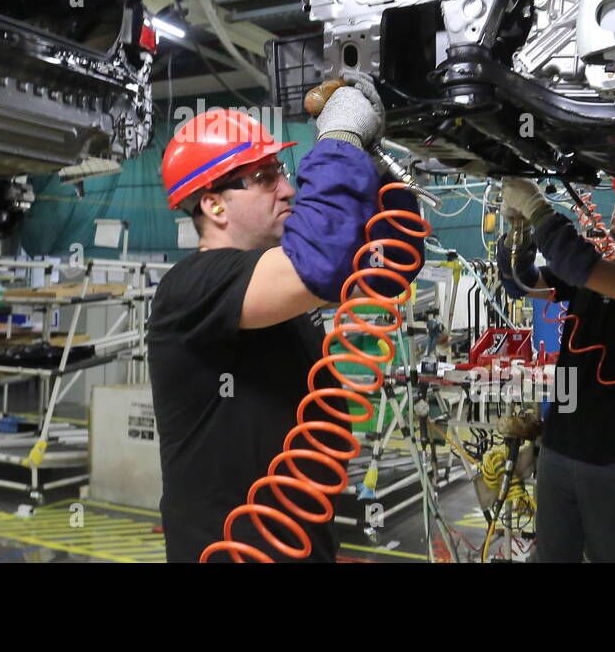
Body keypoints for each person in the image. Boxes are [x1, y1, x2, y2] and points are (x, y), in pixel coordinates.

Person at [147, 75, 424, 562]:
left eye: (282, 170)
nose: (288, 188)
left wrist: (375, 168)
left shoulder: (277, 281)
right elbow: (321, 261)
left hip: (301, 544)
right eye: (264, 177)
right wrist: (339, 139)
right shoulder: (190, 288)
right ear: (213, 204)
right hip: (234, 552)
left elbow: (391, 265)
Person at [498, 177, 615, 562]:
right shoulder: (591, 278)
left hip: (614, 463)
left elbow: (579, 264)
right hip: (559, 452)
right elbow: (521, 283)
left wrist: (538, 208)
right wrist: (516, 233)